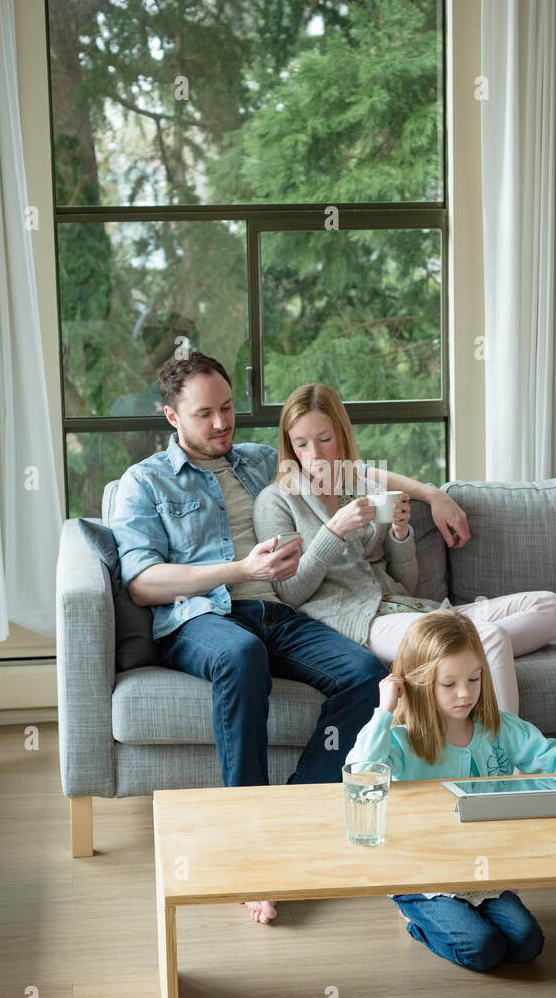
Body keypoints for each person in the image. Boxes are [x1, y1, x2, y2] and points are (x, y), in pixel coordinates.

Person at [109, 351, 472, 925]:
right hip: (201, 618)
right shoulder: (143, 482)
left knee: (367, 676)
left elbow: (357, 472)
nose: (223, 424)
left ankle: (297, 813)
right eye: (205, 414)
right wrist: (239, 570)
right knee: (241, 655)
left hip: (277, 613)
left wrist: (432, 494)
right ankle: (249, 851)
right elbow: (143, 584)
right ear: (172, 417)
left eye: (227, 408)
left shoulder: (258, 461)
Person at [344, 611, 556, 972]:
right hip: (424, 872)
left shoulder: (499, 729)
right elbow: (361, 772)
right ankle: (413, 915)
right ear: (421, 683)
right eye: (449, 684)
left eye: (473, 679)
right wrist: (384, 710)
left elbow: (553, 754)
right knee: (482, 949)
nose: (466, 693)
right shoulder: (401, 741)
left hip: (482, 869)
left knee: (527, 944)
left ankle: (458, 916)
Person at [252, 382, 556, 714]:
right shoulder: (276, 500)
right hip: (363, 624)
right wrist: (335, 529)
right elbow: (290, 592)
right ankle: (505, 759)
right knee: (489, 637)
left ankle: (445, 659)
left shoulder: (361, 487)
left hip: (409, 609)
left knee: (549, 608)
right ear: (288, 444)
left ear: (341, 436)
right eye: (300, 443)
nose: (313, 455)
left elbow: (406, 583)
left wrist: (401, 535)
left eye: (324, 439)